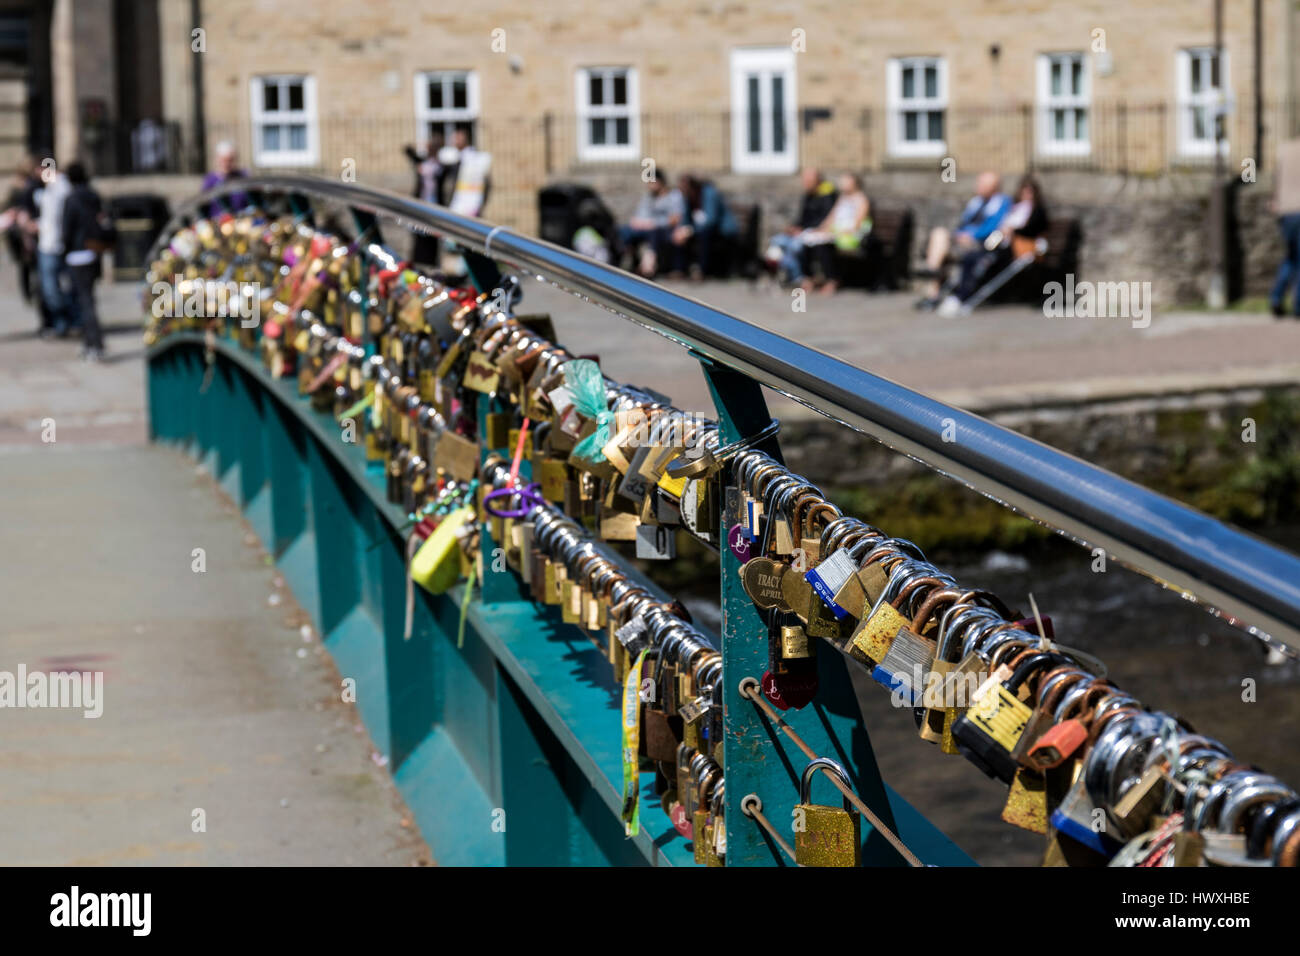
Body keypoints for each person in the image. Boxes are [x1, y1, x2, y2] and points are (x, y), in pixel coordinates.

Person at [938, 175, 1049, 315]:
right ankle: (953, 294)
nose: (1026, 194)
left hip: (1015, 248)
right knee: (972, 257)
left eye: (1029, 191)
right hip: (998, 243)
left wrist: (1013, 231)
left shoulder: (1036, 210)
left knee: (979, 259)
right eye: (1023, 191)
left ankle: (962, 295)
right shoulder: (1015, 207)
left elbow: (1033, 228)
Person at [916, 171, 1012, 309]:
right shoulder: (976, 202)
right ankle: (933, 283)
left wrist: (972, 236)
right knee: (939, 234)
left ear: (993, 187)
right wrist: (959, 235)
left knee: (941, 244)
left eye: (982, 184)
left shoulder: (1002, 202)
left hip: (981, 245)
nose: (977, 186)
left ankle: (933, 291)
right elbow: (963, 224)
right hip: (962, 242)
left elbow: (993, 227)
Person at [61, 161, 113, 361]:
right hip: (94, 250)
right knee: (87, 298)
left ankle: (96, 344)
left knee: (85, 301)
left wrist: (64, 249)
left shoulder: (72, 198)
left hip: (77, 254)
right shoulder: (94, 195)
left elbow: (67, 228)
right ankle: (88, 342)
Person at [799, 172, 871, 295]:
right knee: (807, 240)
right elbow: (831, 218)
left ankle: (832, 280)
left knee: (823, 245)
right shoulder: (842, 198)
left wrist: (836, 232)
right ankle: (808, 277)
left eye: (846, 181)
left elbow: (857, 224)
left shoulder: (861, 199)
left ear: (854, 183)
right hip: (836, 232)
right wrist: (820, 229)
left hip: (850, 235)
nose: (842, 184)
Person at [763, 167, 837, 284]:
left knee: (796, 246)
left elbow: (825, 218)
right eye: (804, 180)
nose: (805, 183)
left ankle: (801, 277)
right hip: (804, 231)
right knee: (777, 242)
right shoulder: (808, 195)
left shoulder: (827, 194)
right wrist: (794, 227)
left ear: (817, 180)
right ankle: (796, 276)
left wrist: (803, 229)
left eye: (808, 180)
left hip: (818, 232)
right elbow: (802, 217)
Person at [617, 169, 684, 278]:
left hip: (664, 229)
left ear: (660, 181)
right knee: (624, 231)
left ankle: (648, 266)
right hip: (646, 228)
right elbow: (640, 214)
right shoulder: (648, 197)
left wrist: (654, 223)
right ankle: (619, 259)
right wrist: (639, 222)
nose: (649, 185)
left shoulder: (674, 196)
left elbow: (675, 218)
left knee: (654, 233)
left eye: (652, 182)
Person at [667, 174, 738, 278]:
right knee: (679, 234)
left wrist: (691, 231)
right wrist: (682, 230)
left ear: (692, 187)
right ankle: (679, 269)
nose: (681, 192)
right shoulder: (688, 198)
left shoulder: (709, 193)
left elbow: (711, 220)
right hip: (701, 230)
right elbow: (686, 218)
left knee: (704, 235)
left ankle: (701, 270)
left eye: (683, 189)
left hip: (721, 230)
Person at [36, 157, 75, 337]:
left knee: (56, 288)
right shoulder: (49, 188)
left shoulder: (63, 187)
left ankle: (68, 321)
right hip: (47, 244)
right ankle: (62, 323)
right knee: (51, 288)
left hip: (59, 245)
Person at [404, 134, 447, 266]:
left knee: (432, 236)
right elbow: (406, 150)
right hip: (420, 203)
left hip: (434, 205)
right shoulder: (422, 162)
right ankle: (418, 262)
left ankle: (431, 263)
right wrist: (419, 144)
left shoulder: (441, 166)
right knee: (418, 235)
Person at [1269, 140, 1300, 319]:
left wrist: (1276, 201)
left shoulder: (1284, 149)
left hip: (1285, 212)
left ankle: (1276, 297)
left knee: (1291, 257)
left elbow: (1275, 181)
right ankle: (1298, 305)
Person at [443, 127, 492, 218]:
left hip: (471, 202)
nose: (455, 141)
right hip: (456, 201)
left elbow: (486, 184)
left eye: (458, 138)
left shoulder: (477, 158)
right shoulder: (451, 157)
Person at [201, 141, 249, 217]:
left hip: (242, 220)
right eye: (223, 160)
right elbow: (203, 207)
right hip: (218, 223)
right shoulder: (210, 181)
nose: (227, 164)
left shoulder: (242, 177)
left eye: (230, 160)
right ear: (217, 159)